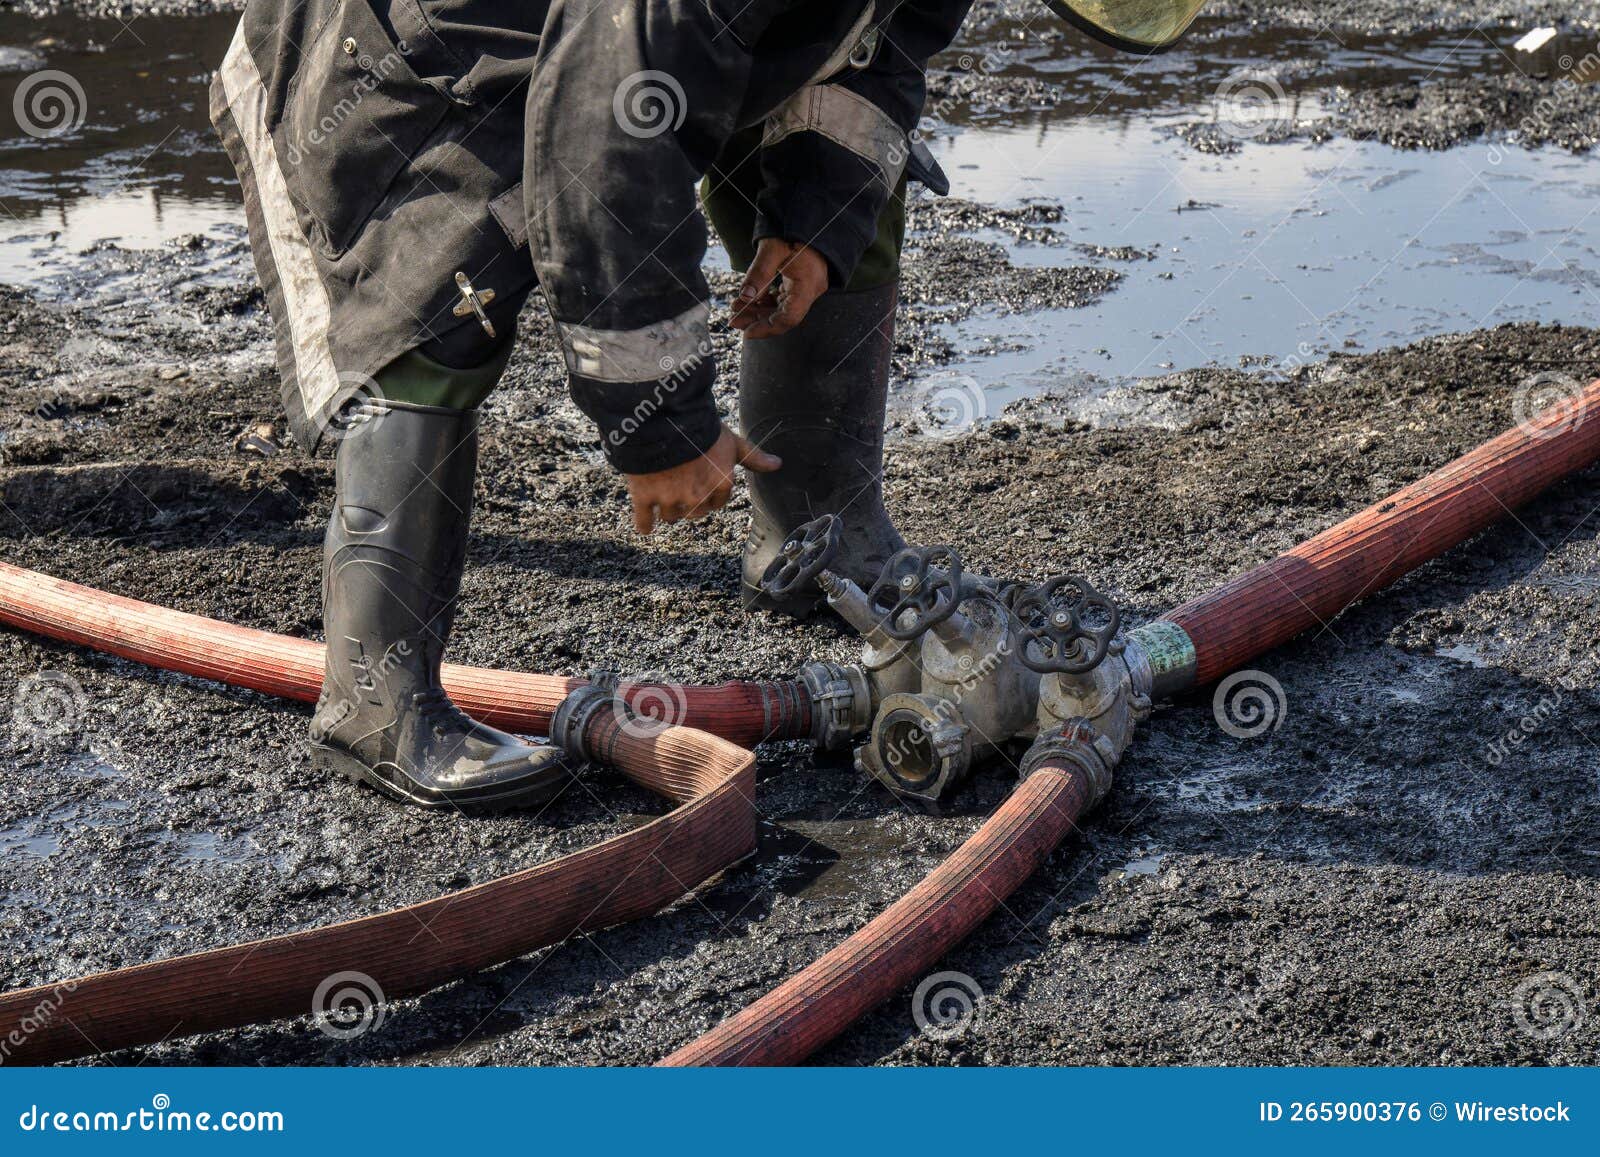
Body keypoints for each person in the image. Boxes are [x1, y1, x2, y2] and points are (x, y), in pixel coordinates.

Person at [210, 0, 1203, 808]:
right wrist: (660, 426)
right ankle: (375, 708)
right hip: (403, 61)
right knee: (436, 304)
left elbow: (878, 58)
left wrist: (813, 227)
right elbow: (605, 145)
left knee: (852, 170)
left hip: (617, 53)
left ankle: (821, 535)